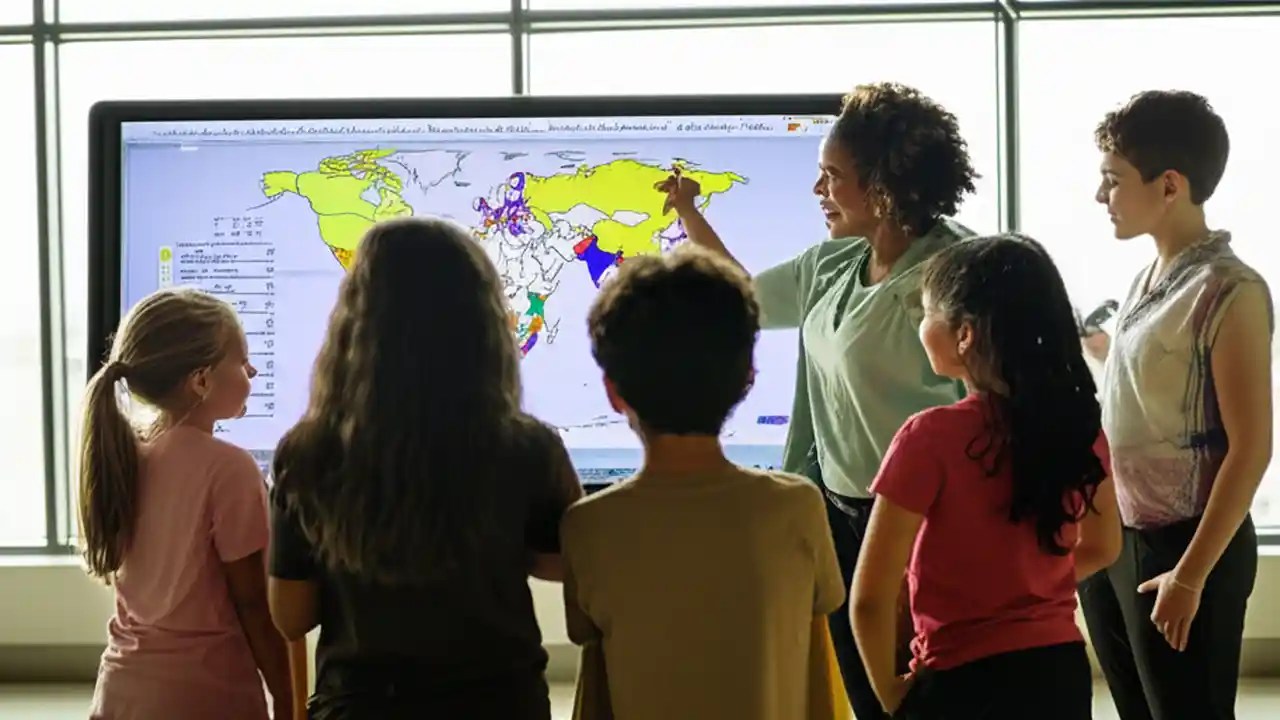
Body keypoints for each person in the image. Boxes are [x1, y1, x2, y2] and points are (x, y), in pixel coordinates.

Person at [658, 81, 978, 719]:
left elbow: (992, 410)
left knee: (924, 697)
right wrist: (690, 215)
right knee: (867, 695)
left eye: (832, 176)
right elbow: (741, 295)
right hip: (839, 516)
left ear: (885, 185)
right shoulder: (835, 263)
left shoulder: (956, 273)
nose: (819, 191)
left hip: (924, 526)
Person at [267, 217, 582, 719]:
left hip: (362, 706)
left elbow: (290, 616)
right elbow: (565, 564)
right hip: (500, 705)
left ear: (354, 327)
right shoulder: (527, 447)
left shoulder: (307, 452)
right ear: (482, 325)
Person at [561, 246, 845, 719]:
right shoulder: (795, 507)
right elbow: (816, 661)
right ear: (747, 380)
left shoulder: (588, 527)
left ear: (613, 393)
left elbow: (593, 666)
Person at [850, 234, 1122, 719]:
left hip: (962, 678)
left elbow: (870, 598)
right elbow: (1104, 546)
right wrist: (1030, 589)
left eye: (927, 312)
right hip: (1058, 672)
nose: (920, 323)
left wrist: (891, 694)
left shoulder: (929, 437)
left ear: (966, 334)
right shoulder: (1079, 427)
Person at [1079, 90, 1273, 720]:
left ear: (1169, 185)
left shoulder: (1230, 290)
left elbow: (1252, 446)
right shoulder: (1149, 278)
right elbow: (1162, 391)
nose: (1099, 195)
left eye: (1112, 180)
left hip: (1186, 545)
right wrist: (1103, 353)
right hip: (1123, 538)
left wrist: (1190, 576)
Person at [80, 287, 293, 720]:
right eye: (242, 360)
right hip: (208, 696)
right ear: (201, 380)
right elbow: (253, 606)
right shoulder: (229, 469)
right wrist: (289, 703)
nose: (252, 369)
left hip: (120, 693)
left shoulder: (122, 457)